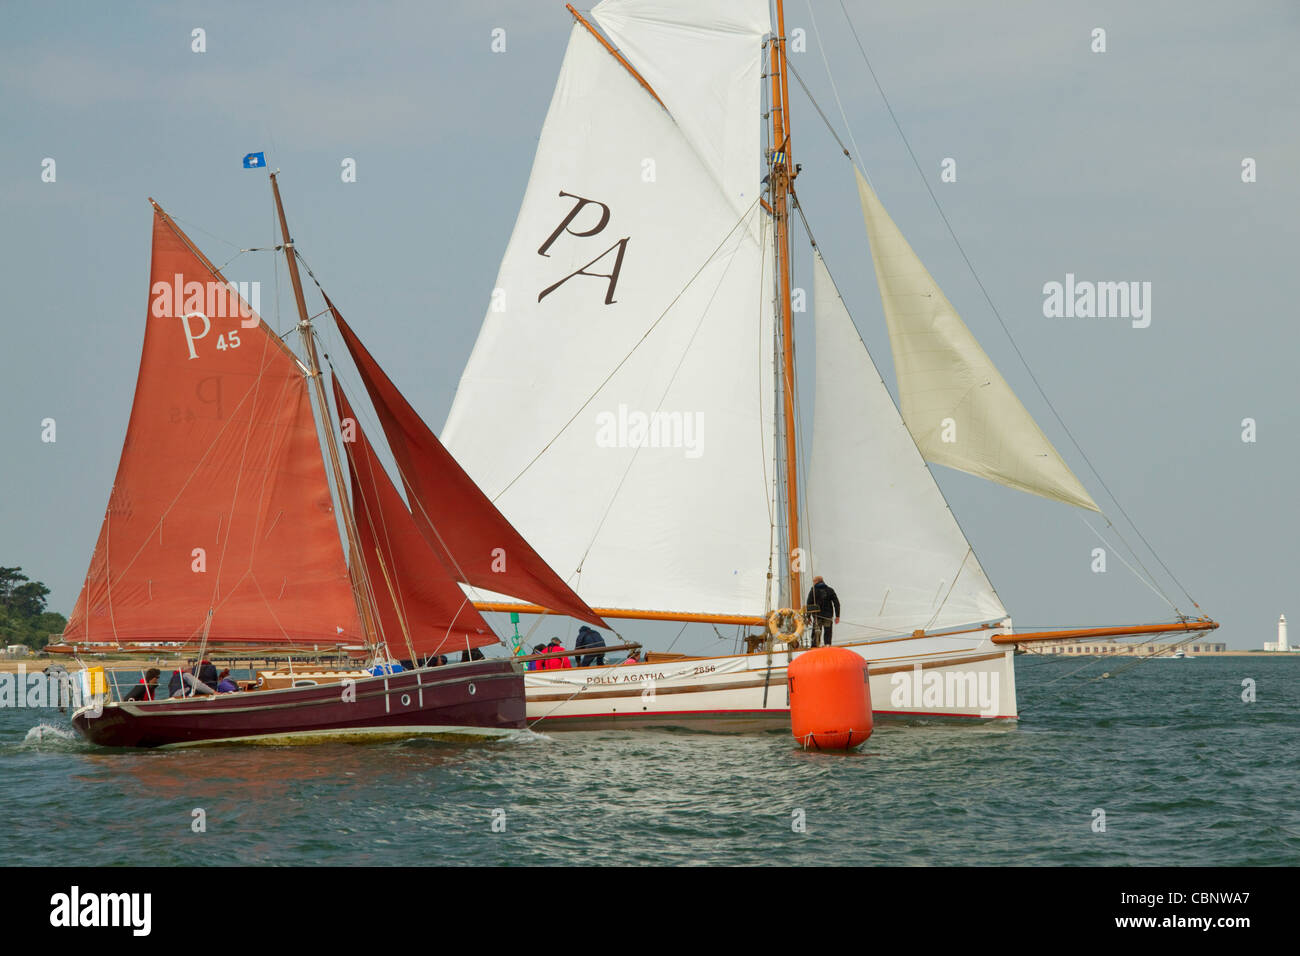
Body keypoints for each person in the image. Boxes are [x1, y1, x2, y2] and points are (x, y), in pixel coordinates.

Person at [804, 575, 841, 647]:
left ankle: (814, 646)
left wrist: (808, 617)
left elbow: (809, 604)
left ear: (816, 581)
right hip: (828, 615)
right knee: (828, 632)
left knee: (816, 633)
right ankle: (827, 645)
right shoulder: (830, 590)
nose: (813, 583)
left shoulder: (813, 591)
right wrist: (837, 616)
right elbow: (836, 603)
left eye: (813, 582)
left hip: (817, 616)